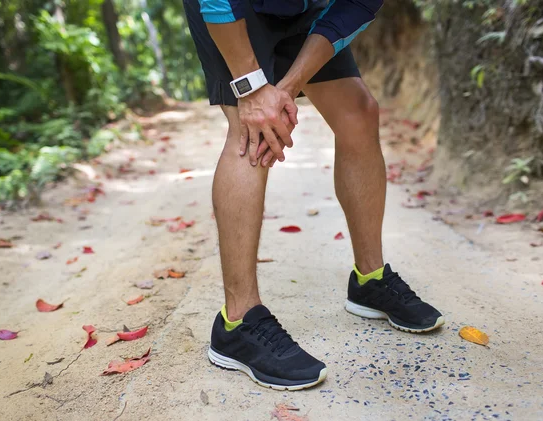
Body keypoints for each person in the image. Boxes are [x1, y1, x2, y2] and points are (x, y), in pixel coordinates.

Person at [183, 0, 445, 391]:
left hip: (304, 8)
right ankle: (238, 323)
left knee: (359, 111)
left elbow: (357, 5)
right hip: (232, 9)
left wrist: (283, 92)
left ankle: (370, 280)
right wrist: (253, 91)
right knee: (250, 128)